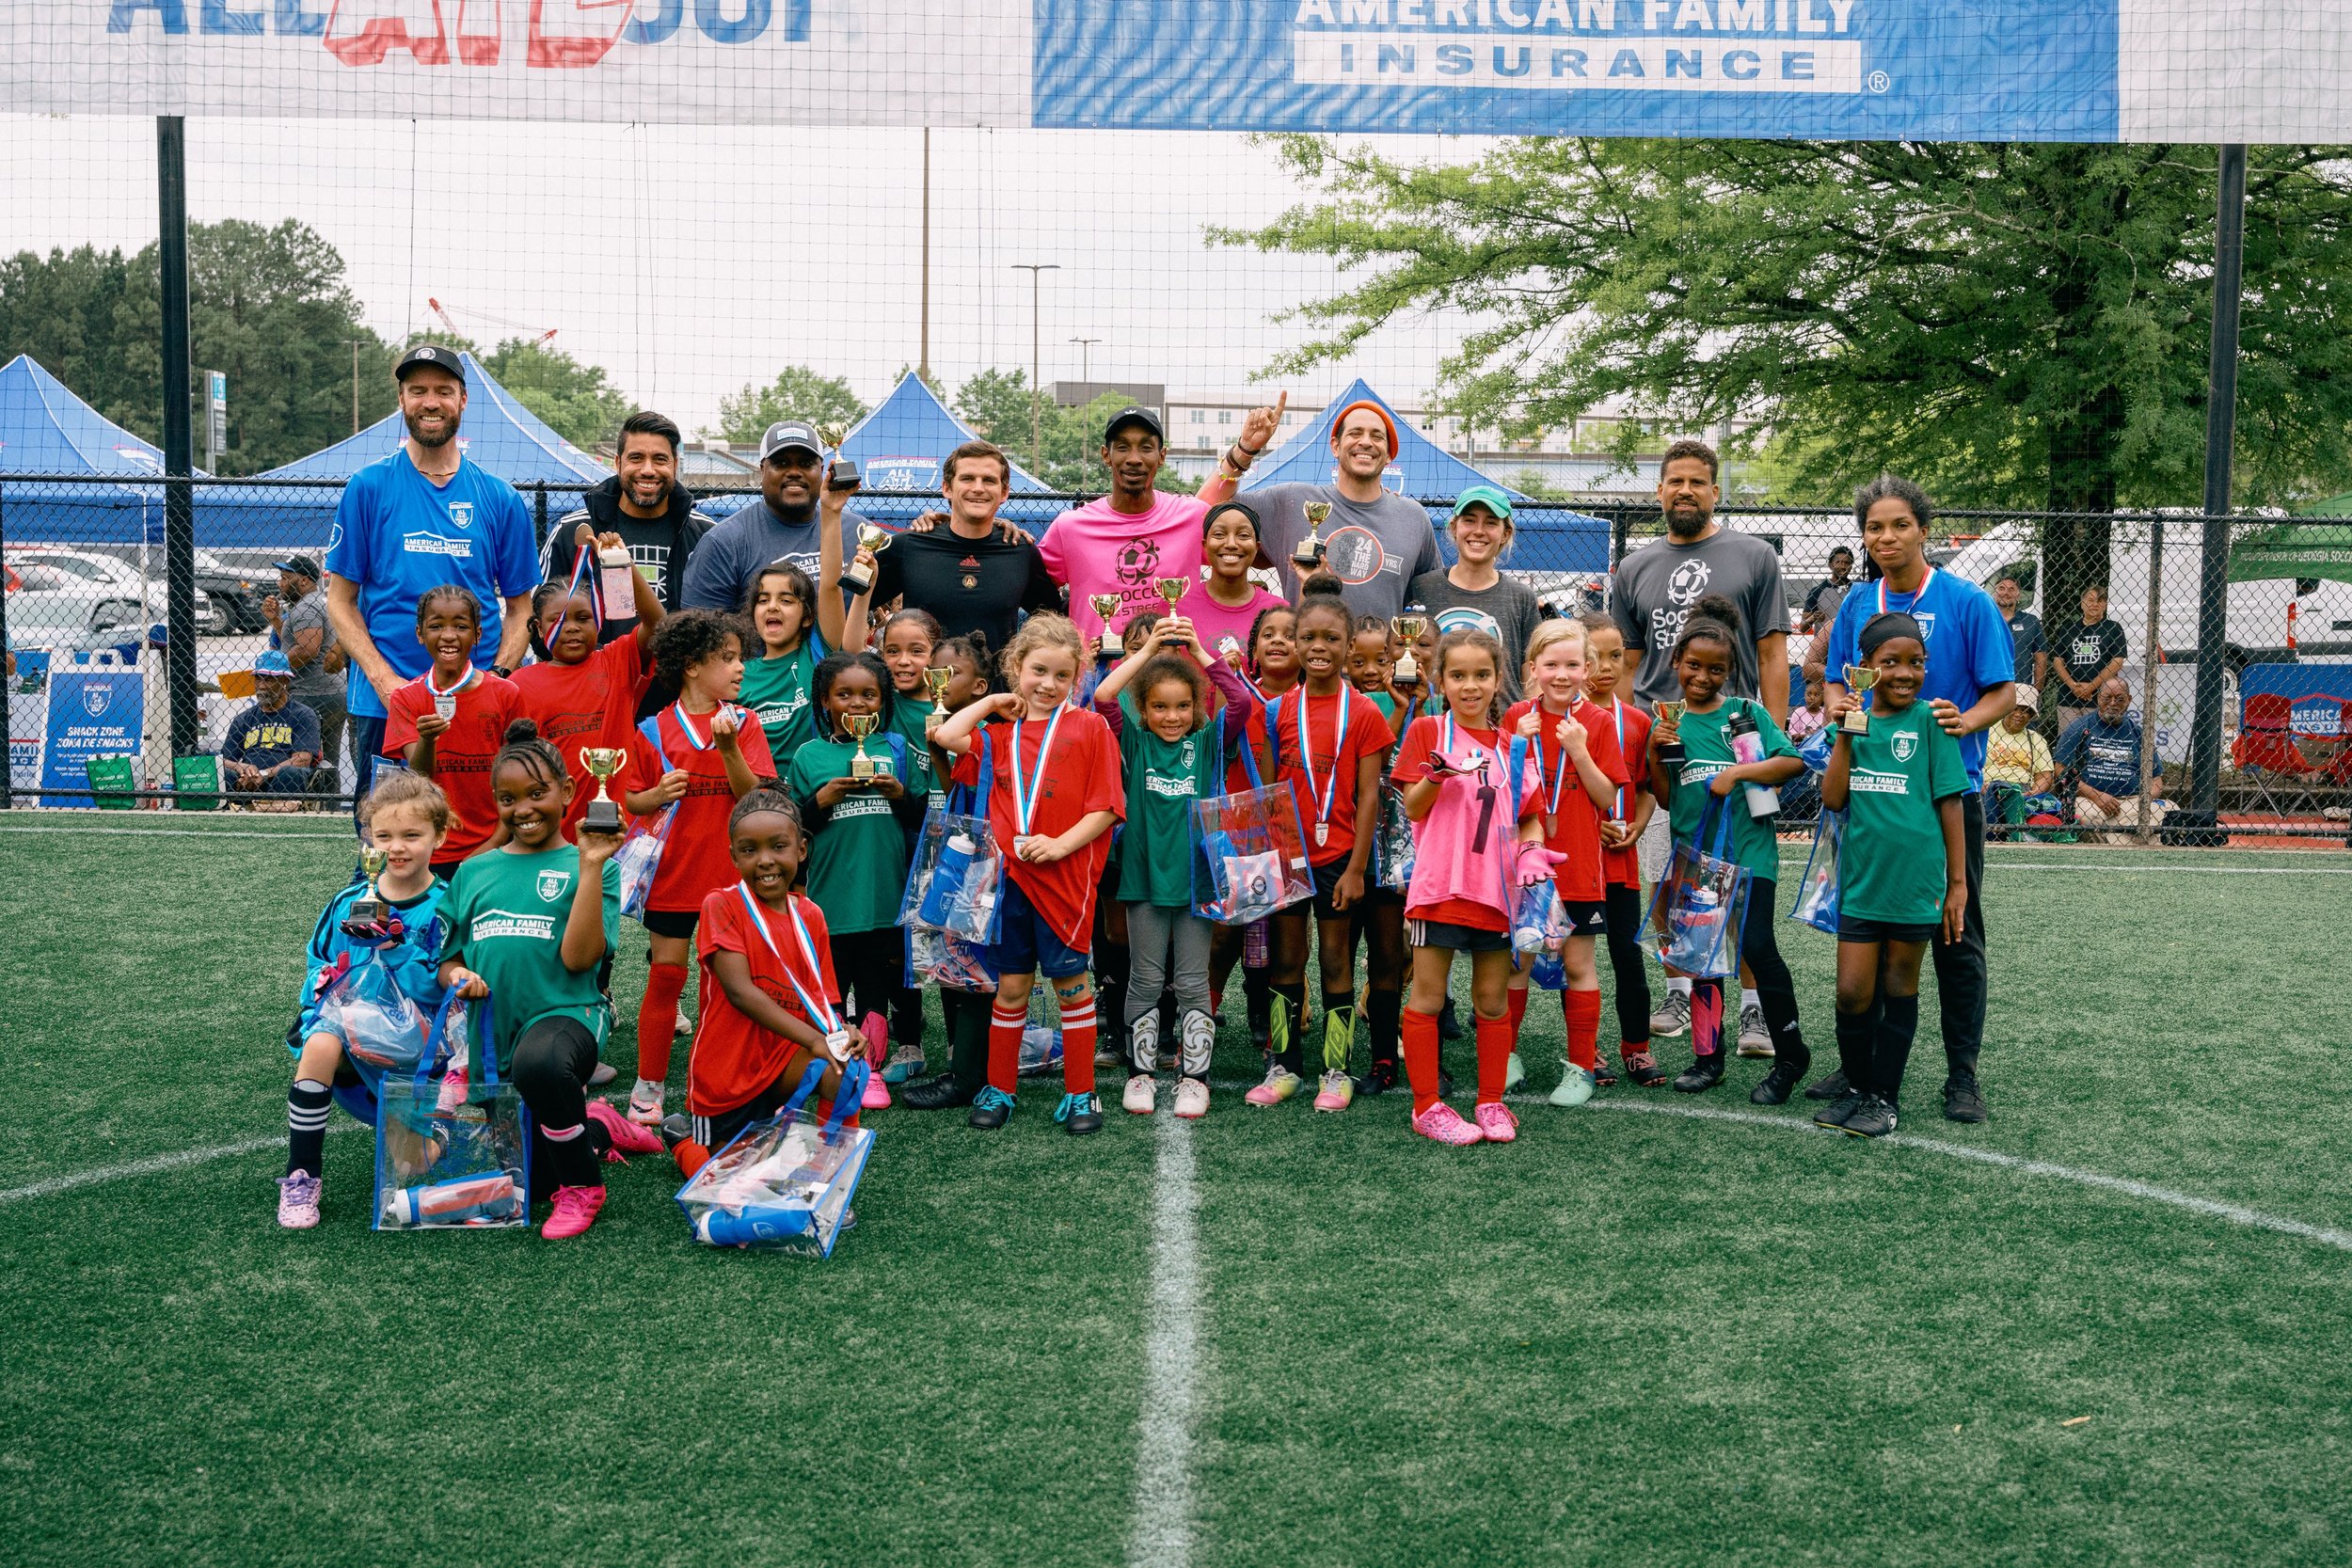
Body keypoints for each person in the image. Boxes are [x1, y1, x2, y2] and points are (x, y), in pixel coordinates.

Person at [1819, 477, 2015, 1124]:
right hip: (1872, 798)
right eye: (1875, 527)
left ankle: (1963, 1075)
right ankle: (1861, 1072)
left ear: (1923, 529)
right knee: (1868, 941)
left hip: (1944, 798)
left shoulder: (1967, 601)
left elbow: (2003, 693)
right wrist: (1839, 716)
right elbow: (1832, 684)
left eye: (1899, 524)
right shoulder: (1856, 604)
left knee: (1956, 939)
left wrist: (1965, 723)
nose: (1886, 537)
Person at [437, 721, 662, 1240]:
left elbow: (582, 959)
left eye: (538, 794)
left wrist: (588, 866)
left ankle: (584, 1187)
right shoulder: (474, 872)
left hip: (567, 1018)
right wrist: (460, 975)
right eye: (508, 798)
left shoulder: (593, 865)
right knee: (530, 1184)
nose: (524, 809)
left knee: (540, 1066)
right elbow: (448, 960)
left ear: (566, 792)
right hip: (494, 1038)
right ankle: (601, 1124)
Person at [1611, 438, 1788, 1049]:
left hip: (1737, 736)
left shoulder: (1754, 556)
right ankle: (1681, 997)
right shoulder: (1633, 568)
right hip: (1666, 737)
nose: (1685, 491)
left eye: (1697, 482)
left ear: (1715, 491)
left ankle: (1753, 1008)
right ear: (1659, 491)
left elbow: (1771, 652)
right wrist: (1634, 742)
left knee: (1742, 881)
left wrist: (1770, 745)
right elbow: (1629, 663)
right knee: (1667, 879)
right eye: (1674, 481)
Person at [324, 344, 540, 820]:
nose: (430, 401)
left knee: (478, 836)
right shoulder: (368, 486)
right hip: (386, 706)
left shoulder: (500, 498)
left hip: (475, 710)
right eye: (418, 390)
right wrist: (386, 683)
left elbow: (523, 608)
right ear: (401, 400)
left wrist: (497, 678)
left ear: (463, 401)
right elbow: (340, 602)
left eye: (443, 390)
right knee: (386, 841)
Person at [932, 613, 1124, 1134]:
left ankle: (1082, 1095)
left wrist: (1059, 844)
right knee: (1012, 987)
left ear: (1077, 678)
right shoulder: (998, 734)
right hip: (1008, 881)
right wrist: (993, 703)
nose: (1048, 684)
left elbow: (1107, 807)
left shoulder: (1090, 728)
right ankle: (1000, 1088)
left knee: (1071, 985)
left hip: (1065, 881)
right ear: (1016, 668)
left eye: (1062, 676)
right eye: (1038, 670)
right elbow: (947, 734)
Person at [1092, 613, 1263, 1119]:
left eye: (1183, 706)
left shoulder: (1208, 743)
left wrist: (1199, 650)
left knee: (1191, 981)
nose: (1172, 717)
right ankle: (1140, 1075)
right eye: (1160, 707)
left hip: (1197, 881)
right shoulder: (1135, 743)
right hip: (1144, 878)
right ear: (1143, 710)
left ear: (1196, 708)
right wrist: (1149, 654)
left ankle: (1195, 1080)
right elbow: (1104, 697)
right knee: (1143, 978)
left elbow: (1242, 702)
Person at [1815, 610, 1971, 1140]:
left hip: (1915, 883)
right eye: (1891, 663)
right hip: (1862, 881)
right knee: (1851, 994)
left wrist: (1957, 884)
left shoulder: (1932, 721)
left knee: (1899, 984)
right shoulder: (1855, 722)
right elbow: (1833, 798)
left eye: (1916, 663)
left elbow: (1950, 803)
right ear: (1865, 668)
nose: (1905, 673)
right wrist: (1844, 735)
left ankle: (1884, 1097)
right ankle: (1858, 1086)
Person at [1646, 594, 1810, 1101]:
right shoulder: (1669, 724)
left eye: (1716, 668)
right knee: (1702, 958)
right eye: (1693, 665)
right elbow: (1668, 798)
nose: (1702, 676)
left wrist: (1737, 772)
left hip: (1751, 855)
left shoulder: (1745, 713)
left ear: (1729, 671)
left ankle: (1791, 1056)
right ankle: (1707, 1057)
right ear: (1676, 663)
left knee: (1757, 948)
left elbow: (1791, 764)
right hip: (1698, 863)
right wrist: (1655, 751)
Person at [1389, 626, 1549, 1145]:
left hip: (1499, 894)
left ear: (1498, 679)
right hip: (1439, 888)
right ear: (1441, 680)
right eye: (1458, 675)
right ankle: (1426, 1106)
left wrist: (1530, 852)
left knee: (1492, 1002)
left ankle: (1491, 1101)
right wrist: (1436, 775)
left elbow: (1530, 817)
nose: (1470, 685)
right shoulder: (1429, 733)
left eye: (1481, 675)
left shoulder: (1513, 746)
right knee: (1429, 999)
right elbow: (1412, 807)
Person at [618, 610, 777, 1125]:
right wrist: (653, 796)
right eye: (727, 659)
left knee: (722, 985)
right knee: (665, 977)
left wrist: (729, 748)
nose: (739, 670)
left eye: (740, 659)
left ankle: (708, 1082)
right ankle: (648, 1087)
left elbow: (755, 797)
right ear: (690, 666)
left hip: (730, 882)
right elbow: (629, 803)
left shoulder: (745, 723)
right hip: (672, 878)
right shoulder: (652, 728)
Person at [276, 772, 454, 1228]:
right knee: (320, 1041)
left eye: (412, 835)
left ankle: (438, 1131)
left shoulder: (447, 906)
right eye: (384, 835)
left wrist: (395, 947)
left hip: (415, 1051)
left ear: (441, 835)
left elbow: (441, 987)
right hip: (349, 1042)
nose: (397, 847)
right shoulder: (350, 900)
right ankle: (301, 1178)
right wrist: (315, 1008)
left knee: (411, 1166)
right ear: (368, 839)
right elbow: (320, 963)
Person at [1252, 580, 1398, 1113]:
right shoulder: (1274, 712)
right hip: (1289, 858)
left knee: (1337, 963)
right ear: (1293, 643)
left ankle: (1337, 1070)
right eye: (1306, 636)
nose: (1318, 647)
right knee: (1287, 961)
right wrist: (1272, 856)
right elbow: (1268, 793)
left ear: (1347, 645)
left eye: (1331, 638)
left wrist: (1358, 868)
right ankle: (1284, 1066)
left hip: (1340, 858)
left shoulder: (1362, 714)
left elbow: (1368, 798)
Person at [665, 789, 859, 1179]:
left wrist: (841, 1033)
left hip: (781, 1061)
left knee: (845, 1070)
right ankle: (685, 1142)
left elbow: (823, 1002)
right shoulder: (721, 904)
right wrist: (813, 1040)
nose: (766, 860)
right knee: (731, 1188)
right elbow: (741, 992)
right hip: (727, 1074)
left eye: (779, 846)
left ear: (801, 850)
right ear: (734, 856)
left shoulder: (811, 915)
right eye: (750, 850)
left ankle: (825, 1180)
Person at [787, 650, 927, 1106]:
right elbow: (793, 830)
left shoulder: (894, 749)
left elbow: (920, 816)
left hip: (884, 899)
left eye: (868, 695)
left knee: (874, 989)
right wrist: (821, 800)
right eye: (844, 695)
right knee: (829, 989)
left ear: (882, 700)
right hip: (830, 900)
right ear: (824, 701)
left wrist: (900, 794)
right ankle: (829, 1066)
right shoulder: (809, 756)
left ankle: (870, 1072)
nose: (857, 704)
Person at [1501, 619, 1626, 1107]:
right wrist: (1515, 744)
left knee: (1579, 963)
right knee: (1517, 962)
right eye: (1551, 665)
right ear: (1533, 668)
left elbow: (1606, 795)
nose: (1561, 674)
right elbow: (1503, 798)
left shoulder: (1596, 722)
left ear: (1587, 669)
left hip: (1578, 867)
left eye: (1572, 665)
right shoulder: (1515, 716)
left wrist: (1579, 751)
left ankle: (1580, 1068)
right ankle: (1505, 1056)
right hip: (1525, 867)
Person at [1028, 405, 1248, 651]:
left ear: (1162, 456)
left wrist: (1245, 450)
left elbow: (1241, 556)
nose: (1134, 459)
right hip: (1098, 679)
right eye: (1122, 447)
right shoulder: (1070, 528)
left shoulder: (1192, 516)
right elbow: (1027, 582)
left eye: (1145, 448)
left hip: (1177, 678)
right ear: (1106, 455)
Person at [898, 633, 1003, 1113]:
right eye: (933, 672)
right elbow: (950, 781)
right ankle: (963, 1063)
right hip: (951, 852)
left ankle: (971, 1075)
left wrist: (943, 741)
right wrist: (936, 752)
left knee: (975, 961)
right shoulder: (956, 733)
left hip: (984, 860)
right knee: (950, 955)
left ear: (981, 687)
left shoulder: (990, 733)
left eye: (950, 674)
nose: (937, 681)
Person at [513, 523, 665, 842]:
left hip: (620, 828)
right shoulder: (520, 684)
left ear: (598, 621)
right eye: (557, 620)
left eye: (583, 618)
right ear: (539, 629)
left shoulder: (616, 660)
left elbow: (658, 623)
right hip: (556, 833)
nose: (571, 628)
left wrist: (622, 564)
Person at [1234, 398, 1446, 621]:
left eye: (1377, 436)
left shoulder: (1413, 518)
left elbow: (1432, 597)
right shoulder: (1292, 501)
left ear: (1390, 455)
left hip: (1381, 655)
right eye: (1355, 433)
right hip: (1307, 655)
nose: (1366, 442)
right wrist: (1245, 449)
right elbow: (1207, 512)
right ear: (1335, 446)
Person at [854, 440, 1061, 651]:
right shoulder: (906, 547)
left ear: (1004, 492)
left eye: (989, 480)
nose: (978, 488)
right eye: (967, 478)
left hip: (997, 684)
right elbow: (850, 603)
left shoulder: (1021, 551)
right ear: (947, 488)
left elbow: (1058, 620)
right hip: (924, 683)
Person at [381, 587, 525, 874]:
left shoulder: (506, 694)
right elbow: (421, 777)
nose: (449, 636)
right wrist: (427, 739)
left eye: (461, 626)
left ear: (478, 634)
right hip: (431, 848)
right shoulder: (406, 698)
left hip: (495, 846)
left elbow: (517, 781)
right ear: (421, 634)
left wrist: (494, 844)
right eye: (436, 626)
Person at [1578, 612, 1664, 1087]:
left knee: (1627, 957)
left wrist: (1636, 825)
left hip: (1618, 864)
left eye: (1616, 656)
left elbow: (1648, 787)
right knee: (1578, 961)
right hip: (1574, 864)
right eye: (1593, 657)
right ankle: (1584, 1048)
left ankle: (1636, 1047)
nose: (1605, 667)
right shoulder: (1561, 720)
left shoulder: (1636, 722)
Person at [542, 410, 714, 638]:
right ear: (618, 462)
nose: (648, 470)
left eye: (660, 459)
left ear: (674, 464)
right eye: (636, 458)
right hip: (599, 672)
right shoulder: (572, 532)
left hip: (680, 672)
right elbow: (541, 619)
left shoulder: (706, 535)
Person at [677, 420, 867, 612]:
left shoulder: (857, 531)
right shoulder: (723, 542)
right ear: (762, 469)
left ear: (822, 469)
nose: (794, 472)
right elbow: (701, 632)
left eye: (805, 463)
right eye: (781, 463)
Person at [1407, 485, 1544, 705]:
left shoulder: (1521, 597)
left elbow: (1532, 675)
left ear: (1505, 533)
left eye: (1490, 522)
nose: (1479, 531)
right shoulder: (1421, 588)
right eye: (1469, 520)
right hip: (1435, 726)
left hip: (1501, 730)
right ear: (1454, 528)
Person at [736, 563, 829, 768]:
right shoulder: (739, 674)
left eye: (785, 600)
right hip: (760, 795)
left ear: (808, 617)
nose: (772, 606)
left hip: (812, 794)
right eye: (763, 600)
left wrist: (828, 528)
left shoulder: (816, 656)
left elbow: (830, 586)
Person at [262, 555, 344, 788]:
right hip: (330, 691)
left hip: (311, 694)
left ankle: (299, 802)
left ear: (305, 581)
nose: (280, 583)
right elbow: (296, 642)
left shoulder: (307, 607)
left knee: (300, 757)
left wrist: (270, 670)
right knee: (328, 758)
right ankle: (330, 806)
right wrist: (276, 621)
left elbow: (307, 650)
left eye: (286, 578)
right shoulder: (319, 602)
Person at [2057, 676, 2169, 843]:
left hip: (2132, 801)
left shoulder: (2139, 733)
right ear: (2098, 698)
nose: (2113, 703)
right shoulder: (2079, 727)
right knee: (2085, 817)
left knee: (2169, 810)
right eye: (2107, 697)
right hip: (2091, 801)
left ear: (2129, 700)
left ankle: (2114, 840)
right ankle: (2128, 841)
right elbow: (2060, 770)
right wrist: (2096, 796)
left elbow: (2156, 780)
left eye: (2119, 698)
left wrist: (2144, 800)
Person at [1175, 499, 1288, 662]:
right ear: (1205, 546)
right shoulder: (1176, 607)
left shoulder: (1279, 611)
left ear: (1256, 547)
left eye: (1243, 535)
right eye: (1219, 534)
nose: (1231, 544)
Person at [223, 650, 323, 800]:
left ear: (285, 681)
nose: (261, 686)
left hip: (280, 781)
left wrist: (265, 773)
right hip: (247, 781)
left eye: (269, 680)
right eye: (258, 679)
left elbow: (303, 759)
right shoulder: (243, 719)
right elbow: (223, 759)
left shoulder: (303, 714)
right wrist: (240, 767)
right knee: (223, 772)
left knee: (291, 772)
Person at [2050, 583, 2127, 735]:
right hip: (2068, 698)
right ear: (2082, 603)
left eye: (2100, 601)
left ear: (2105, 605)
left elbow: (2117, 662)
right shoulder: (2068, 629)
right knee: (2069, 740)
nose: (2095, 604)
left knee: (2097, 741)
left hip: (2100, 699)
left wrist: (2091, 686)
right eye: (2090, 600)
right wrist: (2073, 685)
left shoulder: (2113, 628)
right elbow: (2058, 661)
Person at [1983, 687, 2059, 828]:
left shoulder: (2035, 739)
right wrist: (1980, 784)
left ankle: (2016, 830)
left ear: (2031, 716)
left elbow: (2045, 776)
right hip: (1987, 787)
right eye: (2016, 708)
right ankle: (1992, 833)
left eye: (2026, 711)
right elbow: (1968, 765)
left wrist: (2033, 792)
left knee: (2050, 816)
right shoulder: (1985, 731)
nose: (2019, 714)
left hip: (2022, 791)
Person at [1993, 575, 2047, 691]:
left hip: (2021, 688)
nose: (2006, 592)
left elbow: (2040, 657)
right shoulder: (1984, 620)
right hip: (1989, 687)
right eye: (2001, 588)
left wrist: (2036, 690)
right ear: (1994, 593)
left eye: (2011, 589)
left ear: (2018, 596)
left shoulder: (2031, 622)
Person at [1801, 546, 1857, 634]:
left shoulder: (1857, 590)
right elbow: (1803, 628)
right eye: (1838, 562)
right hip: (1826, 645)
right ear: (1830, 565)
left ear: (1851, 566)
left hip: (1850, 644)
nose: (1843, 566)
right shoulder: (1817, 592)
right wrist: (1813, 618)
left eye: (1847, 563)